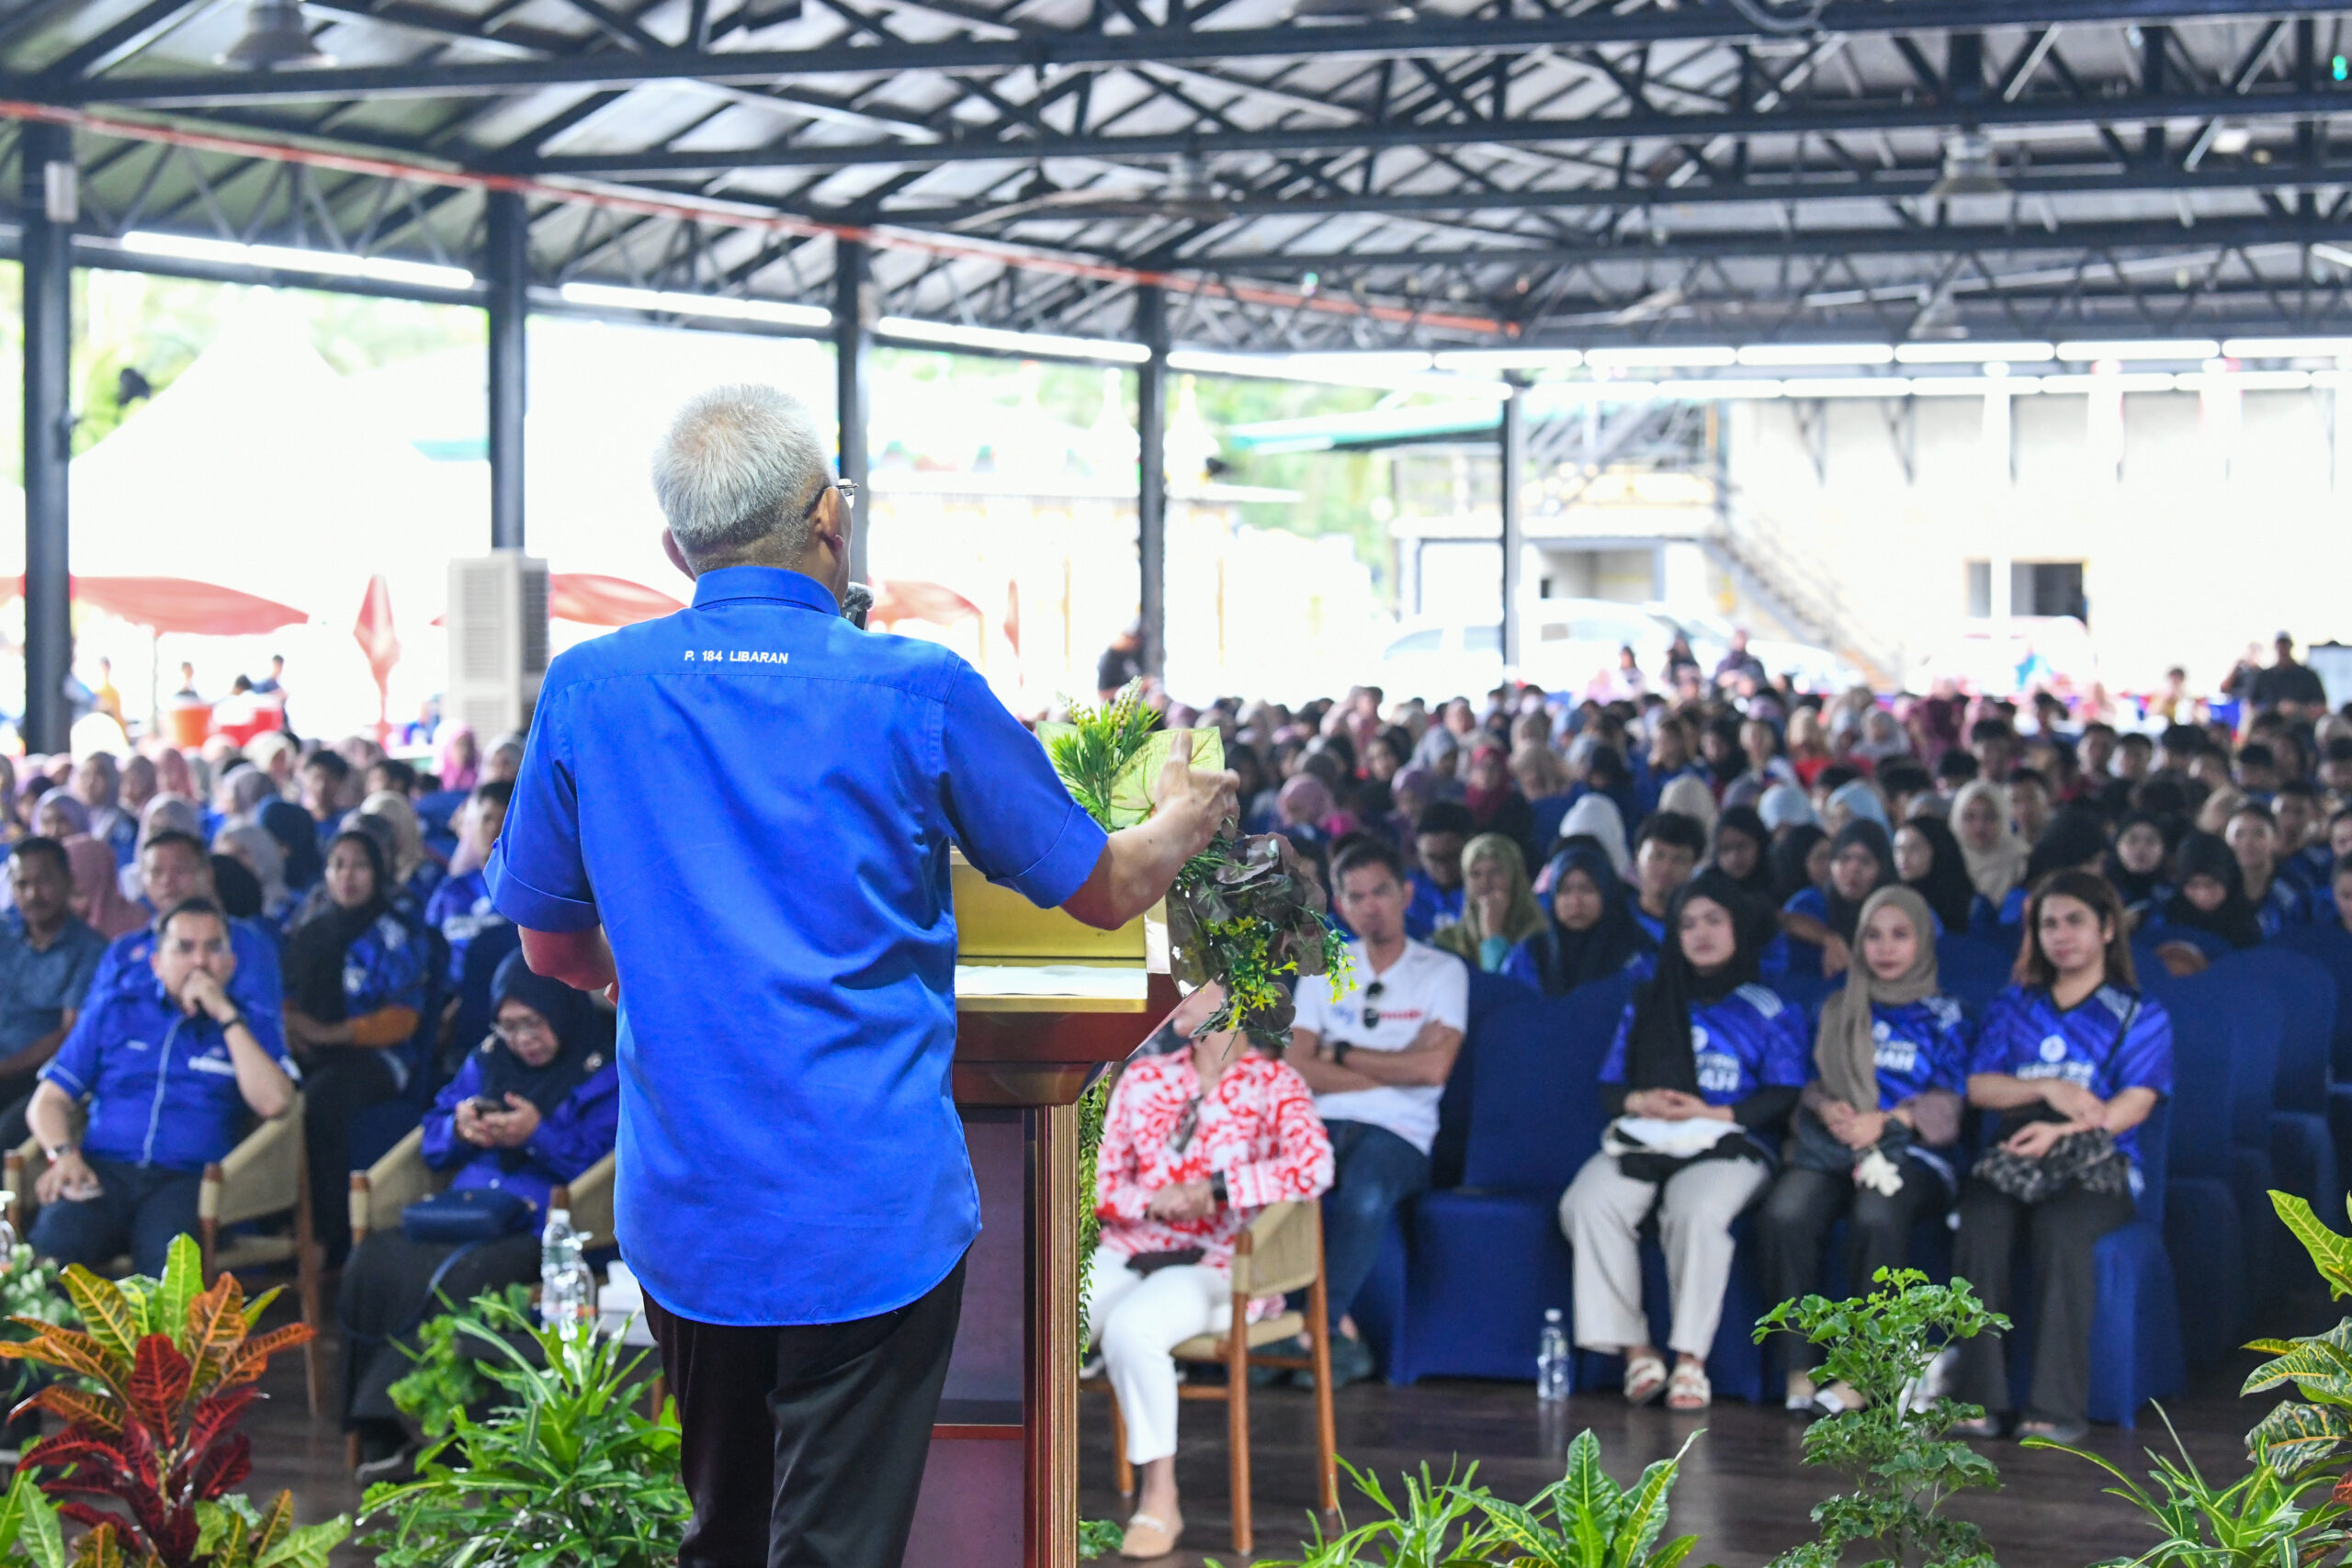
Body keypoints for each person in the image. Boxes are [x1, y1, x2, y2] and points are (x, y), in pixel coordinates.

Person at [486, 384, 1234, 1568]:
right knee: (834, 1547)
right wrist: (1184, 818)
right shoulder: (913, 689)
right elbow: (1099, 889)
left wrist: (661, 972)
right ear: (832, 519)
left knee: (722, 1529)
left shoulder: (592, 688)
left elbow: (553, 948)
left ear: (676, 550)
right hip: (865, 1207)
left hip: (690, 1206)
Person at [338, 951, 619, 1478]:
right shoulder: (487, 1060)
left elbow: (605, 1161)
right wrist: (460, 1129)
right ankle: (378, 1431)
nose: (521, 1039)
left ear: (559, 1013)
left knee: (471, 1276)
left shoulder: (601, 1072)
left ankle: (450, 1435)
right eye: (508, 1025)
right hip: (464, 1212)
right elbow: (435, 1137)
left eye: (532, 1023)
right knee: (374, 1261)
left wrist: (538, 1135)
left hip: (543, 1223)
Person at [1085, 984, 1333, 1560]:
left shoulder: (1276, 1084)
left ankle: (1161, 1497)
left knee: (1133, 1328)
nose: (1170, 995)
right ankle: (1031, 1485)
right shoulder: (1145, 1081)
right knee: (1053, 1312)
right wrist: (1155, 1201)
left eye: (1189, 985)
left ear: (1236, 994)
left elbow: (1314, 1165)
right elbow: (1101, 1181)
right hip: (1138, 1244)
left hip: (1224, 1262)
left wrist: (1216, 1190)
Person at [1560, 871, 1805, 1411]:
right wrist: (1640, 1101)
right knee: (1588, 1201)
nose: (1701, 934)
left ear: (1738, 927)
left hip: (1730, 1141)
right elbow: (1611, 1087)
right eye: (1688, 923)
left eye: (1714, 921)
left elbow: (1786, 1092)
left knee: (1694, 1210)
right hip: (1651, 1136)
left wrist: (1712, 1111)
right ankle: (1637, 1353)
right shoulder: (1648, 997)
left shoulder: (1768, 1005)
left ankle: (1691, 1361)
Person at [1951, 871, 2171, 1443]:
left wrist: (2064, 1128)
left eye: (2075, 921)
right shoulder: (2013, 1005)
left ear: (2105, 930)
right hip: (2015, 1158)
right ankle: (1977, 1401)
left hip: (2097, 1166)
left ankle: (2055, 1408)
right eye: (2049, 923)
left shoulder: (2139, 1014)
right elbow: (1979, 1088)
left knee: (2060, 1231)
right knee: (1981, 1221)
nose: (2061, 935)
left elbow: (2133, 1104)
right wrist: (2047, 1088)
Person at [1756, 886, 1969, 1414]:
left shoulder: (1946, 1014)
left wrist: (1892, 1119)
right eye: (1873, 936)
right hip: (1836, 1145)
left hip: (1912, 1154)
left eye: (1900, 935)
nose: (1886, 948)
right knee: (1785, 1213)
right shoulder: (1836, 1005)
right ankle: (1801, 1369)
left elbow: (1954, 1102)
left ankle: (1867, 1371)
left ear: (1922, 941)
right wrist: (1828, 1109)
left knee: (1876, 1215)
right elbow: (1810, 1084)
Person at [26, 897, 297, 1278]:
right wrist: (65, 1155)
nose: (200, 962)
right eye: (184, 948)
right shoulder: (115, 1011)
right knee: (50, 1250)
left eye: (213, 948)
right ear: (157, 962)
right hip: (104, 1173)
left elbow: (275, 1103)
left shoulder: (249, 1022)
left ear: (231, 963)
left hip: (186, 1181)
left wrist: (225, 1016)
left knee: (170, 1270)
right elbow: (47, 1102)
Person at [1288, 838, 1468, 1389]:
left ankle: (1307, 1331)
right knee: (1262, 1183)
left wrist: (1338, 1053)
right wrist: (1395, 1063)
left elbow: (1434, 1071)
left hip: (1401, 1133)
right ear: (1340, 904)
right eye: (1357, 896)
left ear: (1406, 894)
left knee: (1366, 1194)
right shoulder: (1324, 966)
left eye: (1382, 893)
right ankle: (1318, 1335)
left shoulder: (1442, 971)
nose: (1371, 906)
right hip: (1320, 1121)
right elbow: (1297, 1066)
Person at [283, 829, 433, 1266]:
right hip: (309, 1049)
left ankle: (330, 1237)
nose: (348, 877)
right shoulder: (309, 930)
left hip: (378, 1057)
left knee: (321, 1101)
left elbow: (405, 1017)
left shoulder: (394, 933)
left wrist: (336, 1034)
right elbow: (288, 995)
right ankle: (282, 1227)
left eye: (360, 866)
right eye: (338, 865)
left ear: (378, 872)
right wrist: (292, 1026)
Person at [0, 840, 107, 1148]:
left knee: (7, 1132)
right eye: (22, 884)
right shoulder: (4, 935)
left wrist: (6, 1069)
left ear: (68, 882)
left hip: (39, 1075)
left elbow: (70, 1033)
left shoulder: (90, 949)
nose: (32, 894)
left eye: (44, 881)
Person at [1504, 841, 1654, 995]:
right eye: (1565, 891)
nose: (1576, 901)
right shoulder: (1530, 953)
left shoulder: (1637, 954)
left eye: (1587, 889)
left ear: (1607, 894)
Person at [424, 781, 514, 994]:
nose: (493, 828)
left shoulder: (528, 894)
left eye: (503, 820)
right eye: (486, 819)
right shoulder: (451, 890)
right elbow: (430, 946)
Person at [1781, 820, 1897, 981]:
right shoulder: (1810, 902)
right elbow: (1781, 920)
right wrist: (1826, 937)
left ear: (1882, 868)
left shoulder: (1897, 908)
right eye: (1844, 858)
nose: (1853, 869)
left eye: (1865, 861)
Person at [1433, 834, 1544, 974]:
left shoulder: (1542, 937)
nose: (1485, 883)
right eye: (1475, 874)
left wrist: (1493, 936)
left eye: (1496, 872)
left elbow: (1505, 990)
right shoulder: (1448, 941)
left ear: (1515, 878)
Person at [2148, 829, 2265, 953]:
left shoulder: (2248, 925)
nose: (2203, 894)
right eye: (2193, 885)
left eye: (2212, 884)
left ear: (2229, 882)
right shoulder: (2167, 919)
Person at [2222, 802, 2303, 938]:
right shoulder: (2219, 887)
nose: (2247, 843)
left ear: (2276, 839)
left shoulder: (2295, 888)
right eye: (2239, 834)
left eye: (2259, 834)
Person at [1629, 812, 1708, 945]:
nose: (1666, 868)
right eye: (1658, 856)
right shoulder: (1617, 919)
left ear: (1694, 866)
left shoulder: (1704, 926)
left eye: (1679, 860)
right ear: (1637, 858)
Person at [1952, 780, 2029, 912]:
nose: (1979, 826)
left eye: (1990, 817)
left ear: (2004, 818)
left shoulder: (2020, 859)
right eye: (1970, 817)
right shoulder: (1946, 862)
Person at [1896, 816, 1979, 935]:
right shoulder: (1894, 899)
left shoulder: (1972, 906)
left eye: (1914, 848)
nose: (1904, 857)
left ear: (1937, 849)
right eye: (1899, 849)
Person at [1404, 801, 1472, 940]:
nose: (1443, 867)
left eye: (1452, 856)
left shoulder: (1487, 891)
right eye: (1433, 858)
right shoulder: (1405, 892)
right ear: (1418, 851)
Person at [1711, 805, 1776, 902]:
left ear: (1760, 845)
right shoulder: (1709, 892)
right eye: (1725, 849)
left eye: (1742, 846)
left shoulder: (1780, 888)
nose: (1734, 857)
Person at [2253, 633, 2329, 715]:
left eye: (2285, 646)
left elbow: (2321, 704)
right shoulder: (2265, 676)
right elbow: (2251, 703)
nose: (2283, 650)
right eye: (2280, 646)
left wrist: (2298, 708)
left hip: (2302, 721)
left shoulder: (2307, 675)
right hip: (2271, 721)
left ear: (2291, 646)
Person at [1098, 622, 1147, 701]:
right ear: (1124, 636)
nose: (1134, 644)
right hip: (1116, 709)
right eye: (1132, 639)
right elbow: (1102, 694)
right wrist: (1134, 688)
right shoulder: (1108, 661)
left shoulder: (1128, 654)